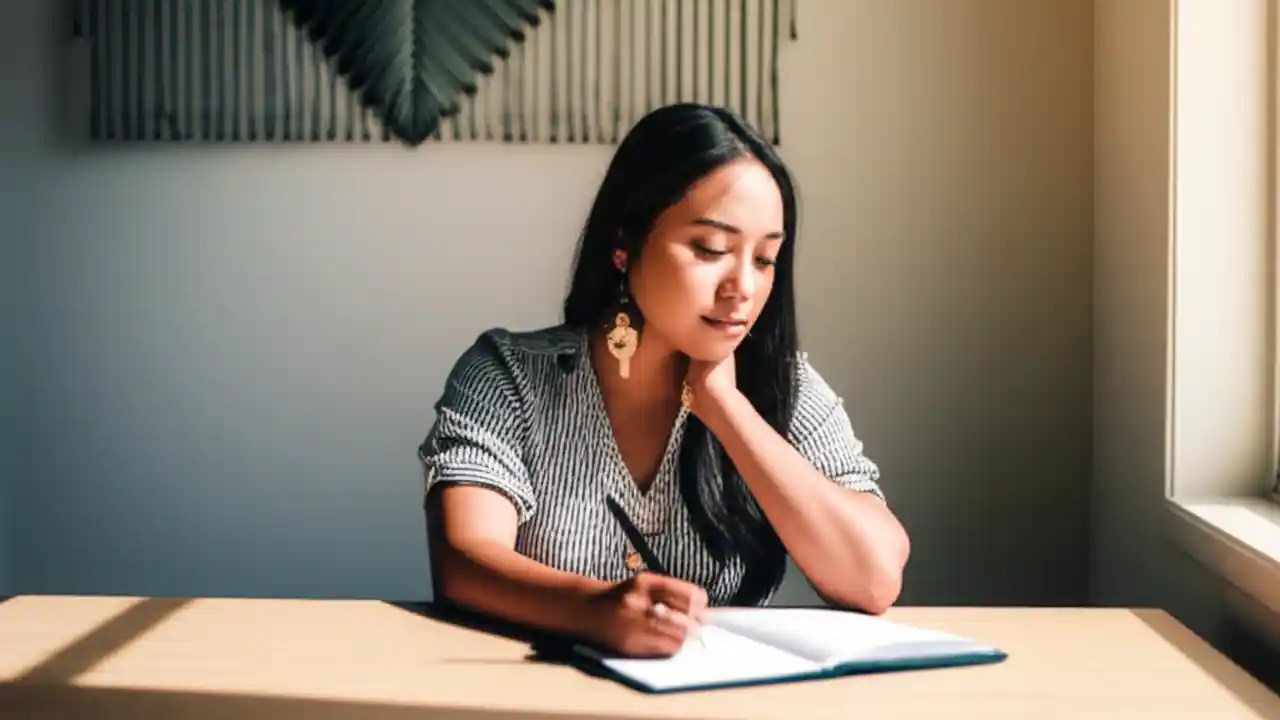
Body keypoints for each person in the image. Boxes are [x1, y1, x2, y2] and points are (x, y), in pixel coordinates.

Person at [418, 103, 910, 659]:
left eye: (765, 258)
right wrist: (594, 610)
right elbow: (464, 559)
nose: (743, 288)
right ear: (624, 241)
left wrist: (725, 406)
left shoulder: (785, 386)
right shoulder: (508, 374)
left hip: (729, 697)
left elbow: (874, 578)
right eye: (711, 249)